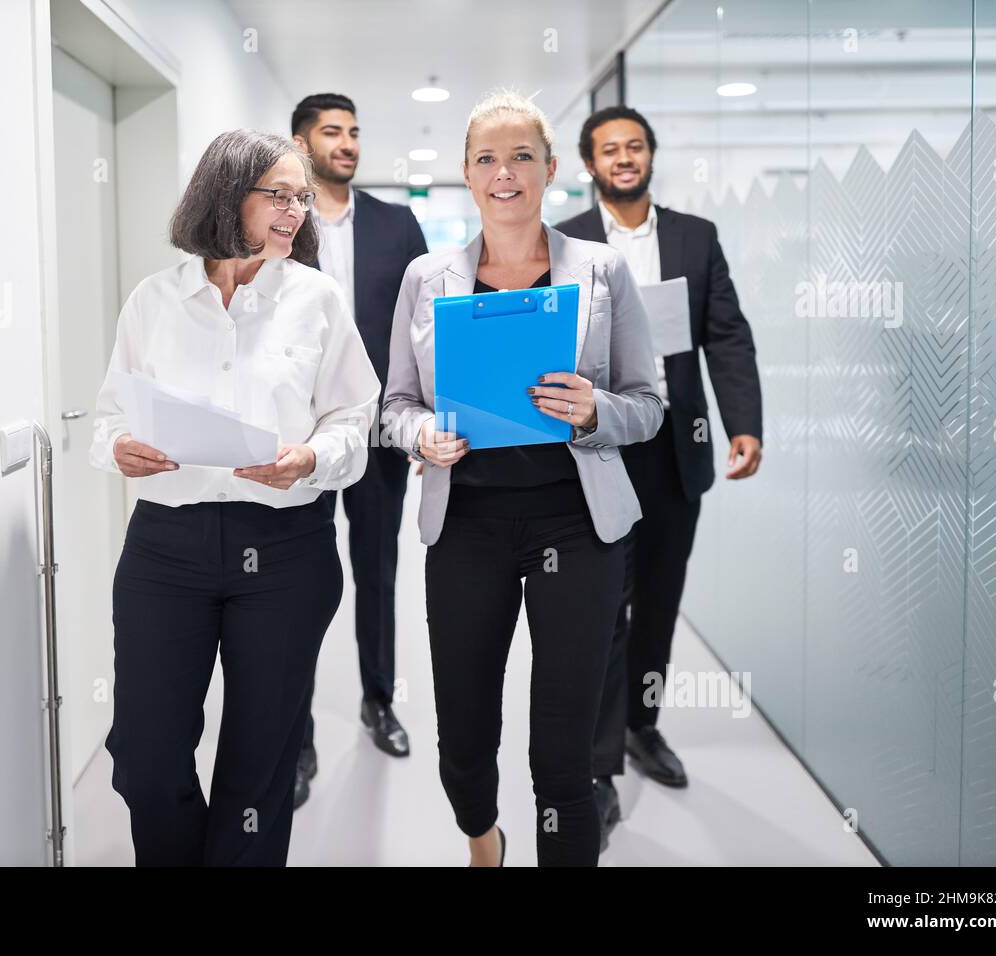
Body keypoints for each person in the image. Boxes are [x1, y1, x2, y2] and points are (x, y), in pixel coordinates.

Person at [382, 90, 664, 866]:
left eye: (520, 157)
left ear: (548, 170)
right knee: (465, 735)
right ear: (467, 175)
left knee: (565, 753)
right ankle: (484, 838)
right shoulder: (425, 278)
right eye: (486, 158)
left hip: (578, 528)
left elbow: (650, 405)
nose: (503, 172)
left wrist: (593, 410)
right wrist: (422, 436)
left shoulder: (600, 272)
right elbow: (394, 406)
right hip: (466, 528)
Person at [88, 128, 379, 866]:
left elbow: (355, 415)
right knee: (146, 760)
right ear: (225, 194)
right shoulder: (154, 300)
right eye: (278, 195)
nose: (295, 212)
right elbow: (109, 416)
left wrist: (311, 457)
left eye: (302, 198)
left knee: (259, 769)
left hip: (284, 552)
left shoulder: (316, 299)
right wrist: (118, 447)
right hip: (165, 550)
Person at [555, 106, 763, 843]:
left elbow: (726, 334)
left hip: (676, 447)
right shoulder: (566, 242)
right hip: (600, 447)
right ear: (589, 163)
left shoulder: (693, 237)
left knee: (660, 603)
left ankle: (644, 727)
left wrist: (743, 422)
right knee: (604, 605)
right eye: (609, 149)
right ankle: (597, 764)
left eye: (634, 146)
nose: (623, 158)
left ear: (649, 156)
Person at [288, 93, 429, 807]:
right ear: (300, 141)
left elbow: (423, 328)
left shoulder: (398, 224)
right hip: (301, 438)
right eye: (331, 132)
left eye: (353, 132)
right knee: (303, 587)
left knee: (376, 571)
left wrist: (420, 419)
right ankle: (298, 735)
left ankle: (379, 701)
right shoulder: (278, 218)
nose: (346, 143)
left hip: (376, 431)